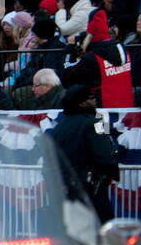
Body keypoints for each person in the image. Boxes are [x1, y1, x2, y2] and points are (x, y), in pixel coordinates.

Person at [49, 85, 120, 222]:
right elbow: (106, 155)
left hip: (66, 190)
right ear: (81, 103)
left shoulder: (59, 128)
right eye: (91, 98)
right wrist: (112, 172)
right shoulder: (96, 124)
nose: (95, 101)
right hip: (92, 191)